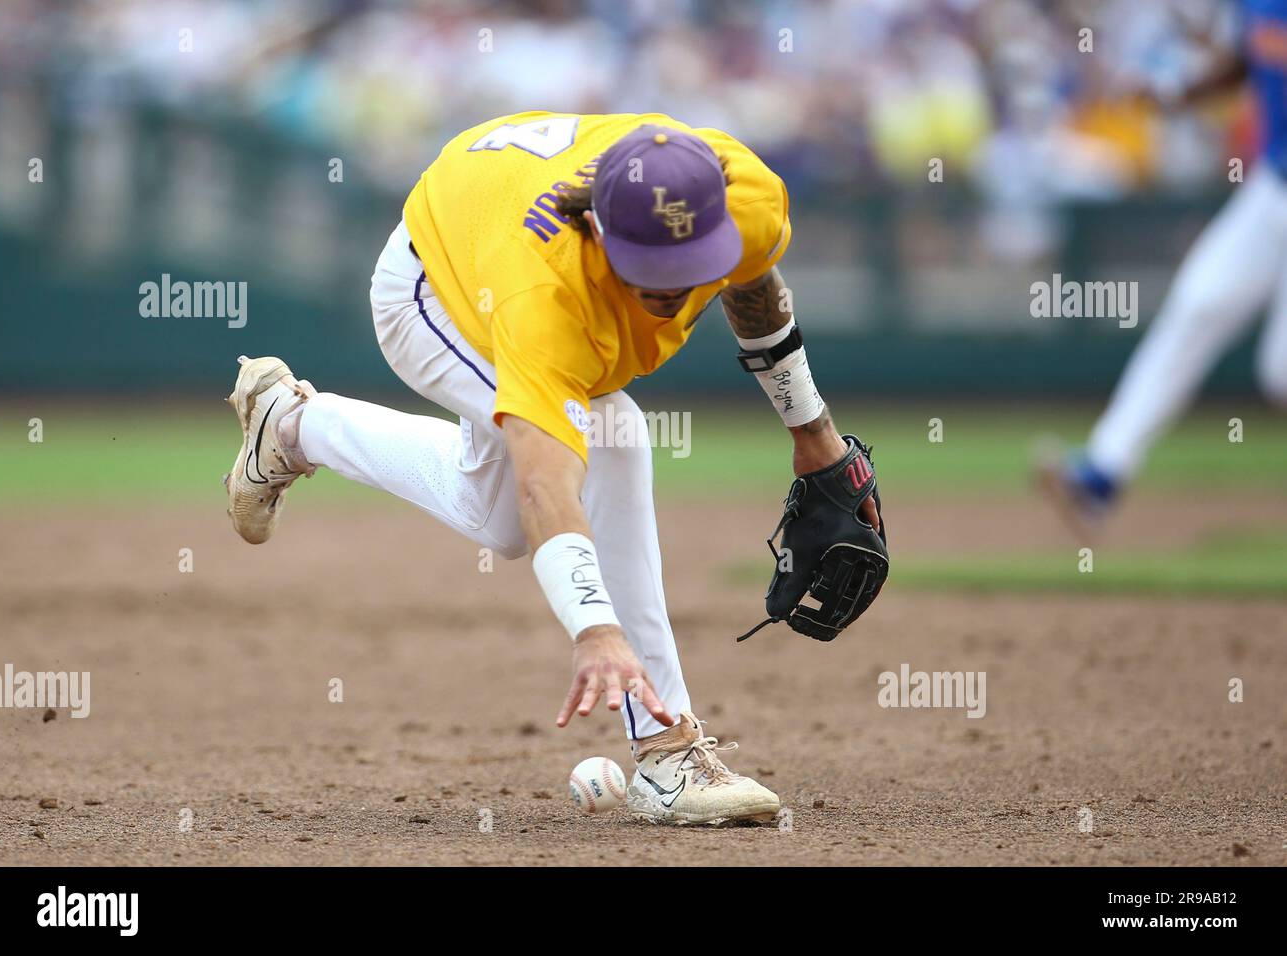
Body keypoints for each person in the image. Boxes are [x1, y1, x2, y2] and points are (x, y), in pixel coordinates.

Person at [222, 112, 879, 826]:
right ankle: (667, 750)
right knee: (613, 432)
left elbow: (752, 285)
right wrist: (595, 629)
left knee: (501, 524)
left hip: (491, 203)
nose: (674, 291)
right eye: (654, 272)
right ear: (598, 230)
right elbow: (547, 485)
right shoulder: (545, 296)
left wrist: (813, 432)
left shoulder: (743, 194)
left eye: (693, 266)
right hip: (438, 285)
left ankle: (291, 425)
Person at [1041, 0, 1287, 530]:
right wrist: (1176, 94)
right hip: (1273, 186)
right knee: (1200, 301)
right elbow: (1247, 56)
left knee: (1282, 371)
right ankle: (1101, 474)